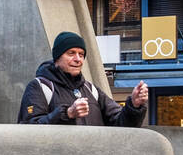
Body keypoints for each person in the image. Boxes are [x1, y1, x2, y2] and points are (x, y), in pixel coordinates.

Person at [18, 32, 148, 126]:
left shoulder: (91, 89)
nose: (78, 59)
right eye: (71, 53)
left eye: (81, 54)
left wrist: (134, 105)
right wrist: (67, 114)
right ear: (57, 57)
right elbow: (29, 129)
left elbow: (120, 123)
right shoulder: (39, 87)